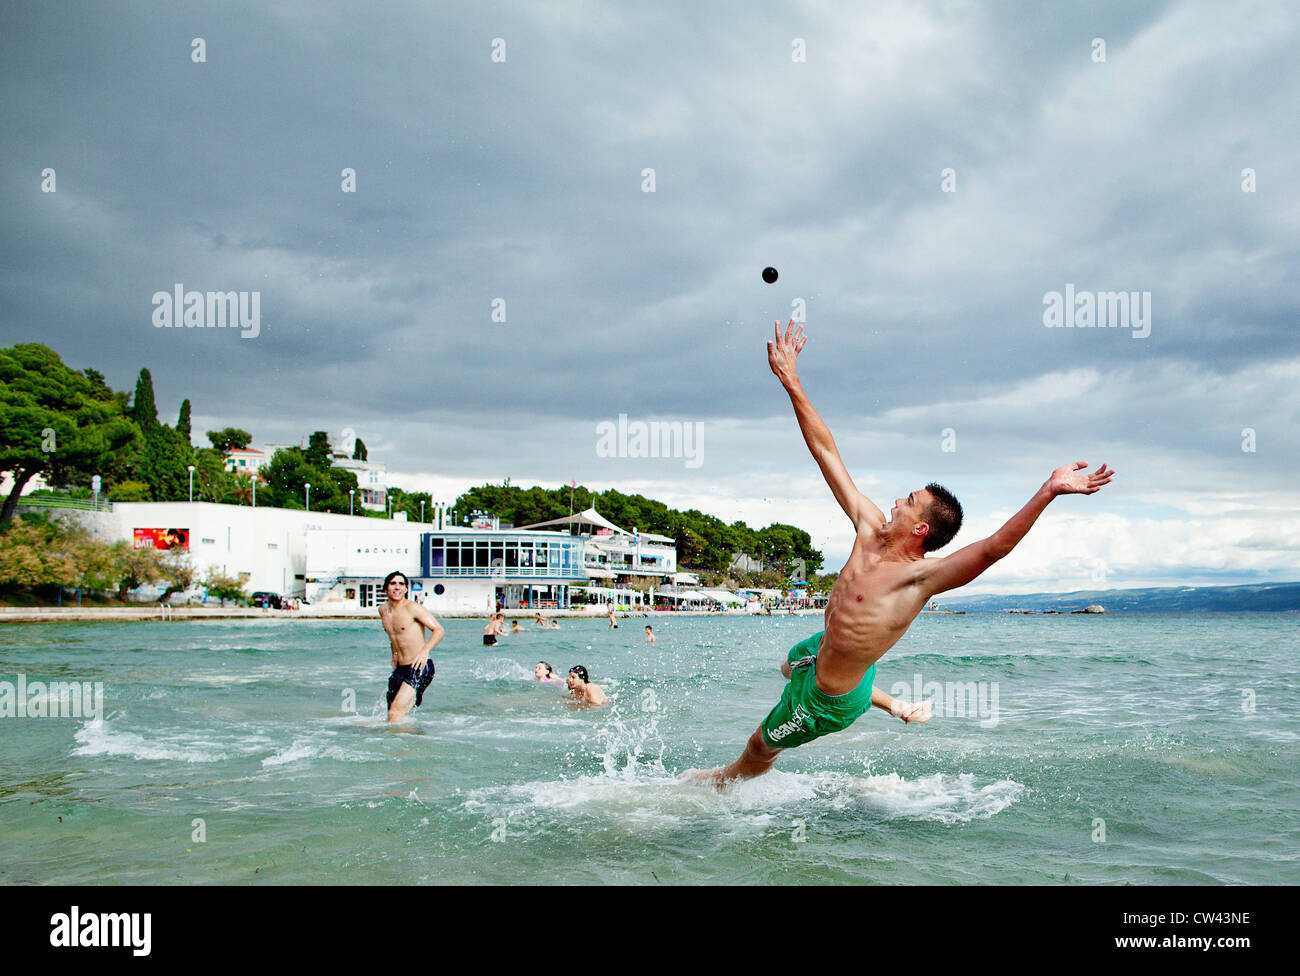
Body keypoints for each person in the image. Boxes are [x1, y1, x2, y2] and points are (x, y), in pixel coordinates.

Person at [681, 322, 1114, 786]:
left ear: (921, 528)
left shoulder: (918, 580)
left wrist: (1047, 491)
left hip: (827, 699)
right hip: (824, 650)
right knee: (790, 663)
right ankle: (894, 704)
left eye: (907, 501)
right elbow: (826, 451)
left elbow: (992, 550)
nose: (894, 502)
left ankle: (722, 789)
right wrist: (791, 381)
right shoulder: (869, 528)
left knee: (758, 746)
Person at [377, 571, 445, 722]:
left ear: (406, 589)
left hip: (419, 666)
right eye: (393, 583)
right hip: (401, 669)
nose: (397, 587)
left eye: (401, 584)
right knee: (392, 716)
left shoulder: (412, 608)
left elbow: (439, 630)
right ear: (386, 588)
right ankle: (411, 742)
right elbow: (392, 635)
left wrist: (424, 651)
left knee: (395, 715)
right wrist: (394, 654)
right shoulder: (383, 610)